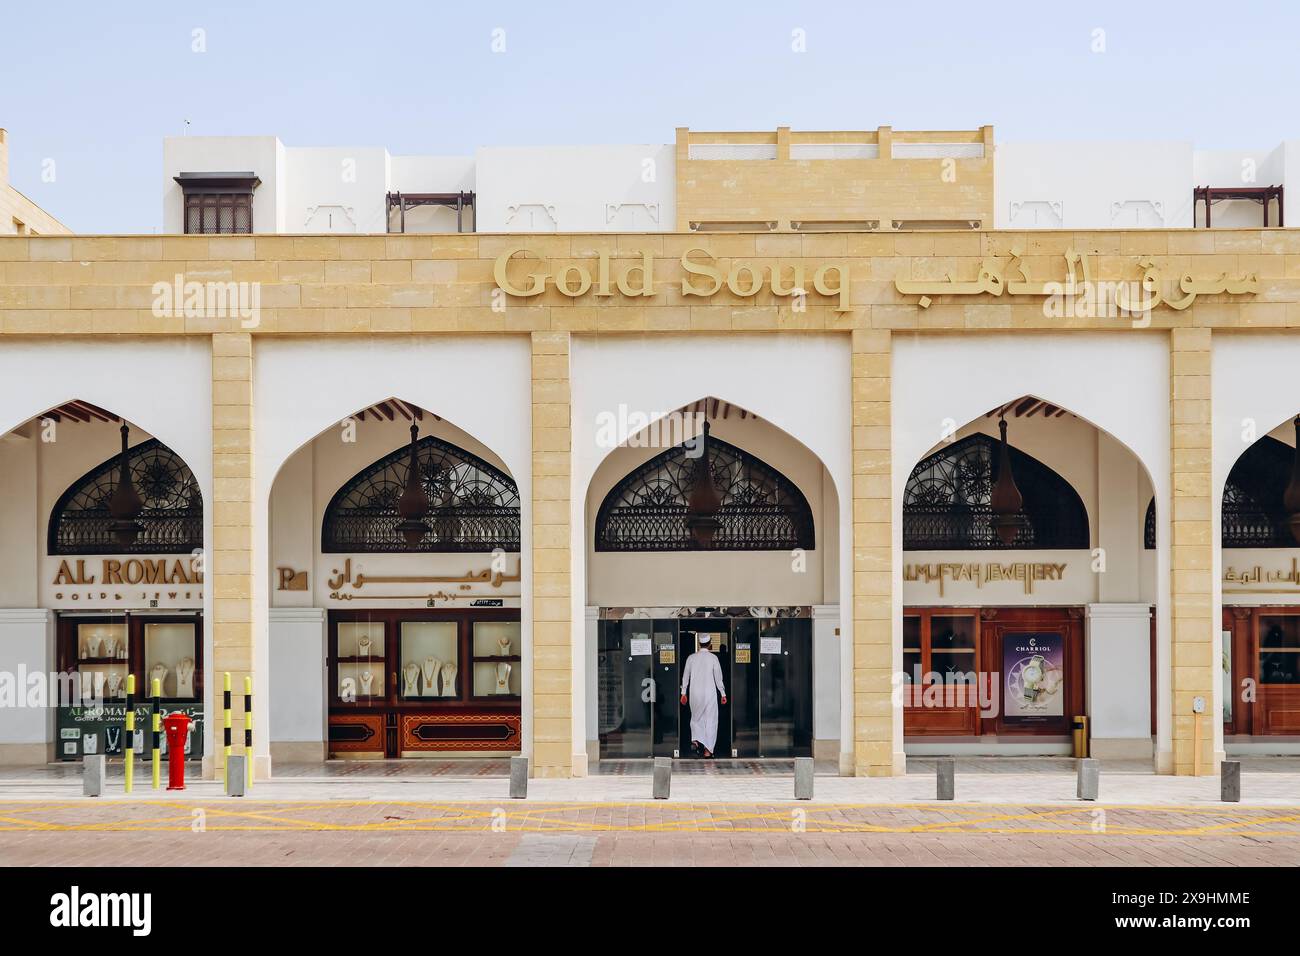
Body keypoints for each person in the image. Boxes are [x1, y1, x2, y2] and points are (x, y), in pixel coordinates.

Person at [680, 633, 727, 758]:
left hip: (694, 693)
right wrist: (723, 693)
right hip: (709, 693)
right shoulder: (713, 658)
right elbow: (718, 678)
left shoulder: (691, 658)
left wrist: (683, 693)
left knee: (695, 718)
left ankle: (695, 740)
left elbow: (685, 676)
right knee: (711, 720)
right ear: (710, 643)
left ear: (700, 644)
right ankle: (708, 750)